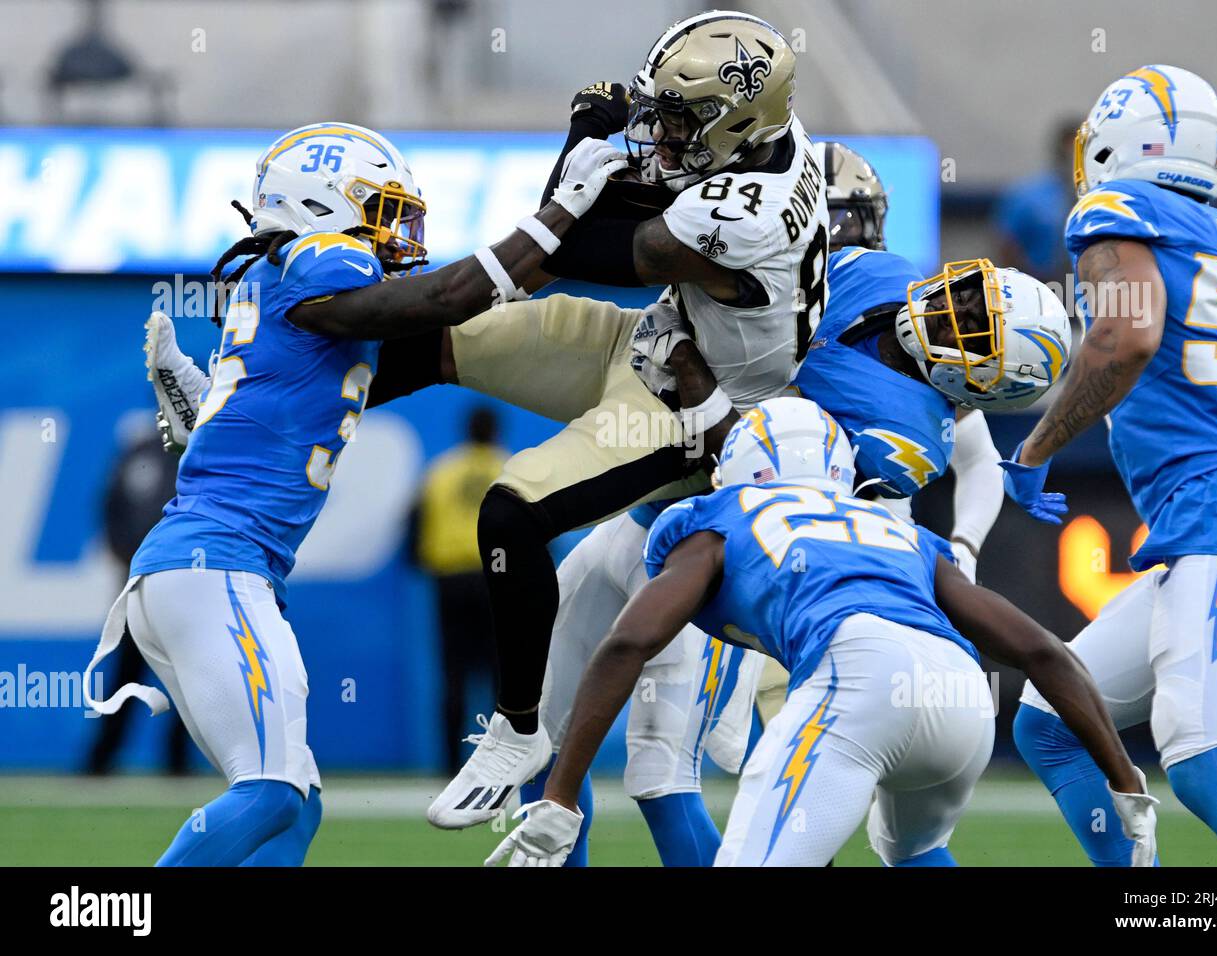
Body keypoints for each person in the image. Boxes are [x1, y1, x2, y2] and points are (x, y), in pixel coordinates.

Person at [82, 120, 626, 866]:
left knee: (294, 809)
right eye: (378, 208)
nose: (397, 229)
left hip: (206, 567)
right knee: (272, 792)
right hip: (214, 565)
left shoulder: (285, 290)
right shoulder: (318, 259)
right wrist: (562, 206)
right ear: (316, 205)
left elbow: (485, 290)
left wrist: (567, 204)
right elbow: (449, 294)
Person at [534, 141, 1057, 866]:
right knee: (560, 719)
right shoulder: (872, 286)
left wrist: (686, 364)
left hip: (786, 554)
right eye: (815, 215)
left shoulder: (909, 412)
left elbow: (754, 454)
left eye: (834, 219)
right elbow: (1041, 650)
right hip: (789, 550)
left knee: (688, 772)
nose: (818, 233)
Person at [417, 11, 834, 828]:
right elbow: (597, 220)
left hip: (695, 403)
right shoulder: (765, 141)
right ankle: (273, 417)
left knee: (511, 513)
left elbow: (564, 246)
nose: (663, 133)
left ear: (736, 123)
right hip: (662, 343)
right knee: (433, 336)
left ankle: (515, 729)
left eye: (682, 119)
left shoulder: (739, 214)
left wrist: (583, 135)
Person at [487, 397, 1158, 867]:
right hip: (959, 701)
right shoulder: (903, 531)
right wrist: (1126, 778)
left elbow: (631, 643)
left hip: (857, 676)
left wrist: (562, 793)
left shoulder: (723, 513)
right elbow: (1042, 649)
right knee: (913, 850)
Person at [1004, 66, 1217, 866]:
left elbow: (1126, 338)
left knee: (1207, 766)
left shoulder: (1115, 211)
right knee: (1052, 720)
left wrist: (1035, 447)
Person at [85, 417, 188, 776]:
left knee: (187, 677)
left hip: (183, 586)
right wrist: (126, 554)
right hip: (137, 585)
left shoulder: (201, 451)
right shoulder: (140, 451)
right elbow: (110, 506)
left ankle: (178, 763)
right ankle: (100, 760)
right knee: (126, 675)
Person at [410, 407, 508, 773]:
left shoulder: (441, 472)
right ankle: (501, 762)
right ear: (496, 432)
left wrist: (427, 563)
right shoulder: (510, 470)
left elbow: (416, 527)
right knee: (506, 675)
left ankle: (450, 767)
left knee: (453, 673)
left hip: (450, 582)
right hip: (498, 580)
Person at [993, 120, 1078, 282]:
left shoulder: (1102, 197)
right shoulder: (1028, 195)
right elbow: (1006, 243)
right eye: (1072, 148)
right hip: (1042, 283)